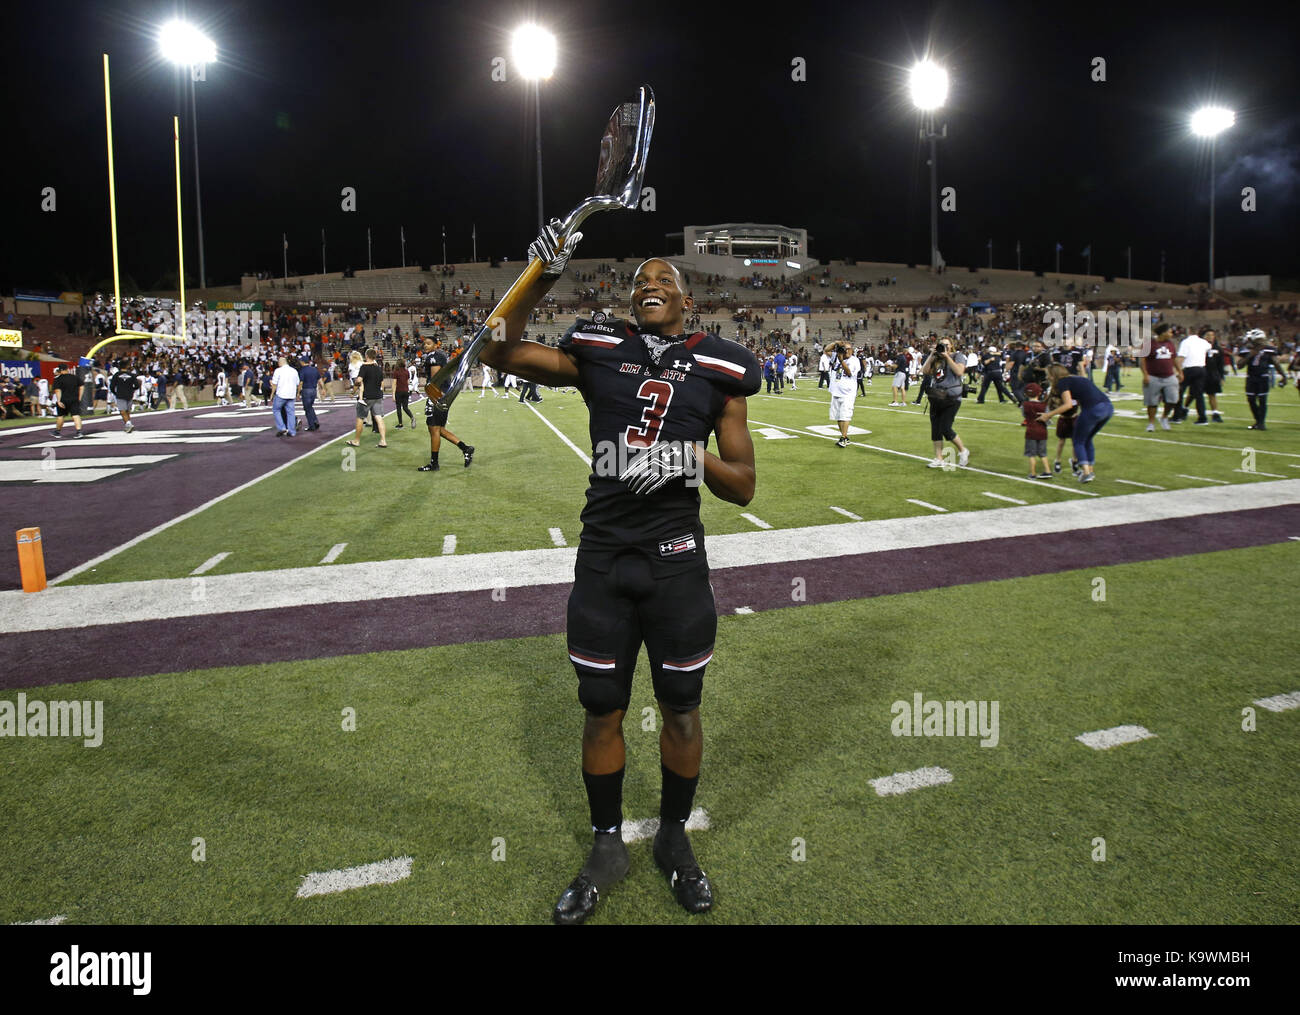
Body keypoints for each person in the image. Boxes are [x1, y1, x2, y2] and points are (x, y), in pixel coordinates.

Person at [478, 232, 760, 925]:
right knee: (601, 706)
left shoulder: (722, 367)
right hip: (604, 559)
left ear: (688, 299)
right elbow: (496, 351)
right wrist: (541, 274)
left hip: (676, 563)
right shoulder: (601, 349)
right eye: (638, 282)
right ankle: (606, 845)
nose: (648, 285)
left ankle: (672, 836)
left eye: (663, 279)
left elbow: (743, 484)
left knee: (682, 707)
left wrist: (686, 457)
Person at [1039, 364, 1112, 482]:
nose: (1047, 377)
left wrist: (1048, 415)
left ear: (1054, 375)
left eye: (1048, 375)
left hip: (1092, 409)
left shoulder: (1063, 382)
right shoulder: (1076, 378)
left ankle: (1086, 473)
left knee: (1078, 441)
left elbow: (1068, 405)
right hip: (1108, 408)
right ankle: (1090, 470)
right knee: (1087, 439)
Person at [416, 335, 473, 471]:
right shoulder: (439, 355)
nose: (425, 345)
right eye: (424, 343)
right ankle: (466, 449)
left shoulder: (433, 356)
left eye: (429, 343)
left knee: (434, 429)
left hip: (437, 395)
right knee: (438, 429)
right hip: (443, 395)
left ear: (436, 345)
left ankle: (434, 464)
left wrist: (433, 398)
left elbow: (436, 379)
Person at [921, 339, 970, 468]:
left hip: (952, 397)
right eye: (942, 345)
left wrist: (947, 356)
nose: (944, 347)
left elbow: (959, 371)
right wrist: (932, 355)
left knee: (945, 428)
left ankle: (963, 450)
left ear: (951, 346)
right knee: (936, 429)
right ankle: (939, 458)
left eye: (946, 345)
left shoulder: (957, 356)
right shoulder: (936, 359)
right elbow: (925, 371)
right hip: (936, 396)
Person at [1239, 328, 1288, 431]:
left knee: (1262, 400)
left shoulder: (1269, 349)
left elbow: (1276, 363)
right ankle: (1258, 421)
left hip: (1263, 377)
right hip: (1251, 377)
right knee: (1251, 400)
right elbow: (1239, 365)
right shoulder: (1247, 349)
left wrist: (1284, 376)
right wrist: (1250, 355)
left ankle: (1261, 423)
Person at [1142, 322, 1181, 432]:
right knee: (1152, 402)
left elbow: (1174, 358)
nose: (1171, 334)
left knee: (1173, 399)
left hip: (1169, 376)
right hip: (1153, 376)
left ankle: (1164, 417)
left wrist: (1180, 371)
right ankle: (1151, 423)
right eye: (1169, 332)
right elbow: (1142, 360)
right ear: (1163, 333)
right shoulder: (1149, 344)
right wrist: (1145, 374)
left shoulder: (1170, 343)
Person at [347, 348, 387, 448]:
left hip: (366, 396)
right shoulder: (378, 368)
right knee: (379, 418)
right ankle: (383, 440)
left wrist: (353, 391)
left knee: (360, 418)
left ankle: (356, 440)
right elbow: (382, 383)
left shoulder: (364, 367)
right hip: (377, 396)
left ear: (366, 356)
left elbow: (359, 380)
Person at [1175, 329, 1211, 425]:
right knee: (1199, 395)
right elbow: (1209, 347)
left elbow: (1181, 357)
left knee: (1179, 392)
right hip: (1201, 369)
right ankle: (1202, 418)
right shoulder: (1203, 342)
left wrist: (1178, 371)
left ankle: (1177, 416)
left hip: (1189, 368)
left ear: (1189, 332)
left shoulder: (1186, 342)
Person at [827, 342, 859, 447]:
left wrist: (841, 361)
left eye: (849, 349)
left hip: (848, 393)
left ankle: (844, 437)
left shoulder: (854, 360)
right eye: (845, 349)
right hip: (836, 391)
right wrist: (836, 343)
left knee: (845, 415)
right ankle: (844, 436)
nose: (847, 351)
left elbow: (849, 373)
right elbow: (826, 350)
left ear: (852, 350)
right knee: (838, 416)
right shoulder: (836, 357)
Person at [1020, 382, 1050, 478]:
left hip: (1031, 432)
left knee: (1031, 454)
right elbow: (1047, 417)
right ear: (1039, 393)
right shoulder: (1044, 405)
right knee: (1043, 453)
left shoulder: (1024, 405)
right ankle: (1047, 471)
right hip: (1043, 432)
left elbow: (1024, 415)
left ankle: (1033, 473)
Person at [49, 365, 85, 439]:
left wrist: (58, 401)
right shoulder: (74, 377)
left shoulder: (58, 379)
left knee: (61, 416)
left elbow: (58, 390)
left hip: (63, 400)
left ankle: (57, 432)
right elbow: (82, 386)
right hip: (74, 399)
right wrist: (80, 397)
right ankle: (79, 432)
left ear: (60, 370)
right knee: (76, 415)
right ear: (67, 369)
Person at [270, 356, 301, 437]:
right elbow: (298, 383)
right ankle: (292, 431)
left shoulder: (278, 370)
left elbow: (274, 384)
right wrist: (297, 393)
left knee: (276, 410)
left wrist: (272, 394)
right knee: (291, 413)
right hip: (291, 394)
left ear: (280, 362)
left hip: (281, 394)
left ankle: (282, 428)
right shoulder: (294, 371)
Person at [1202, 328, 1227, 423]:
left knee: (1212, 394)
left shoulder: (1218, 349)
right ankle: (1184, 409)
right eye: (1208, 335)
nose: (1210, 337)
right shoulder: (1199, 347)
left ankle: (1215, 413)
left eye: (1212, 335)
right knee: (1193, 394)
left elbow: (1221, 364)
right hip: (1201, 373)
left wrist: (1222, 377)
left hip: (1212, 375)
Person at [109, 360, 137, 433]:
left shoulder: (116, 375)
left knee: (122, 411)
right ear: (127, 366)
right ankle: (128, 424)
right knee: (127, 411)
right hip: (129, 394)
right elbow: (137, 385)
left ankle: (128, 424)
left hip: (120, 394)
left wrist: (115, 393)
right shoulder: (132, 375)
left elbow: (112, 386)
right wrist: (132, 390)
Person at [299, 356, 324, 431]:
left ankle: (312, 425)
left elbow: (301, 382)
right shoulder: (314, 369)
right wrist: (323, 389)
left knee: (307, 408)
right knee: (310, 407)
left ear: (303, 362)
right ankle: (315, 421)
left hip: (306, 390)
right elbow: (320, 380)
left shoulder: (303, 370)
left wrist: (298, 392)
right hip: (313, 390)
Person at [393, 358, 413, 428]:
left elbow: (394, 383)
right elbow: (408, 382)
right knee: (405, 407)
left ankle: (400, 424)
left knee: (398, 408)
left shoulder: (396, 372)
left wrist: (393, 394)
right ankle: (412, 417)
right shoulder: (407, 371)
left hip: (398, 391)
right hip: (406, 391)